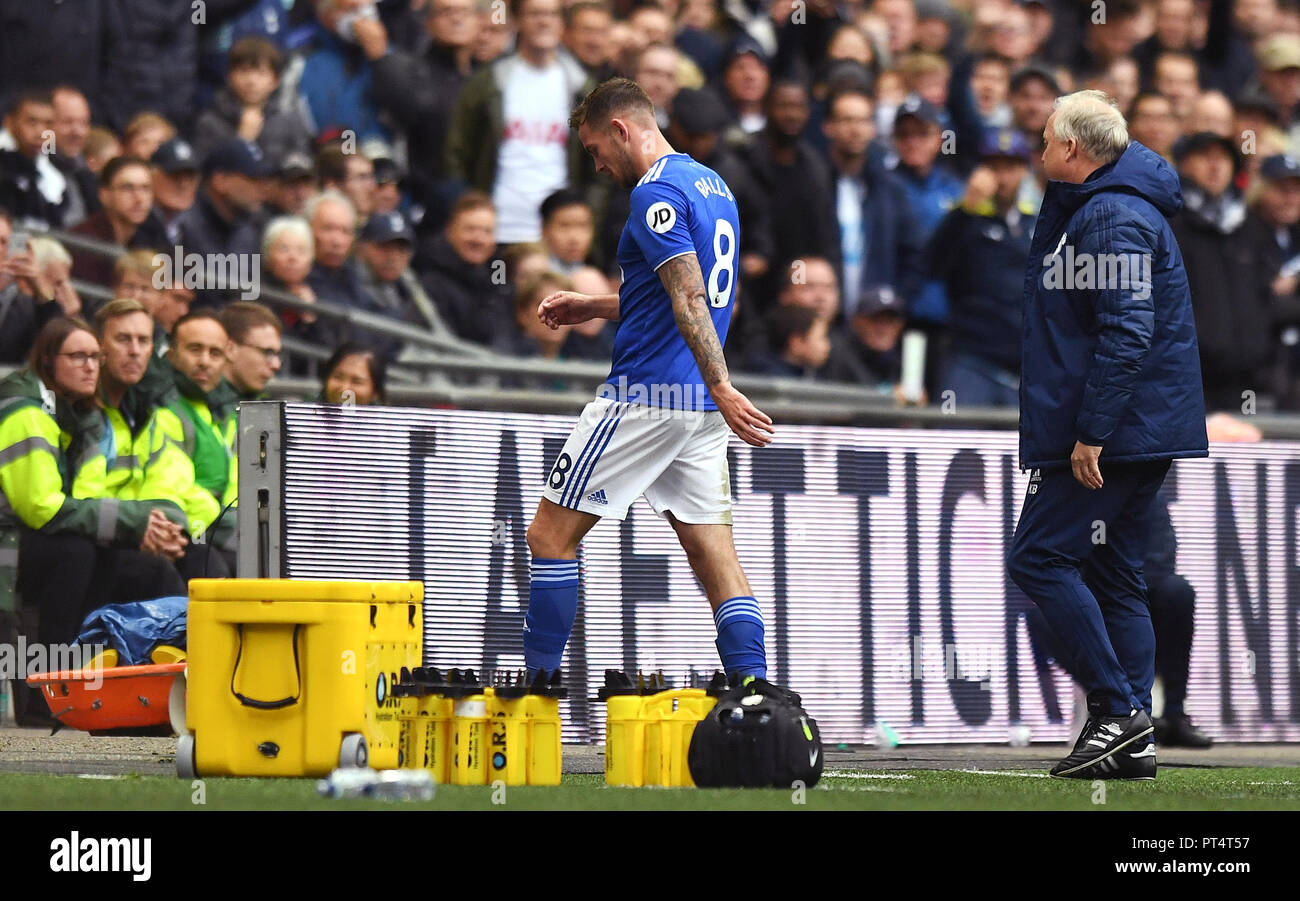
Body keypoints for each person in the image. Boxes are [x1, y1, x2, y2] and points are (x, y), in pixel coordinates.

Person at [522, 78, 773, 684]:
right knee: (713, 551)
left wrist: (720, 382)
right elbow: (685, 295)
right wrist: (596, 304)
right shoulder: (714, 186)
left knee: (549, 535)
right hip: (697, 411)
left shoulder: (652, 194)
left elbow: (688, 294)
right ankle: (755, 690)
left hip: (647, 395)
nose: (598, 164)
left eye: (594, 149)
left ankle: (536, 692)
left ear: (620, 129)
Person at [1006, 91, 1208, 781]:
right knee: (1117, 577)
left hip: (1114, 431)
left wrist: (1091, 431)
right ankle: (1135, 736)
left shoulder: (1110, 213)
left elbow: (1127, 332)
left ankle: (1120, 711)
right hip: (1138, 426)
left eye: (1043, 140)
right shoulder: (1112, 206)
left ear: (1070, 148)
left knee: (1037, 558)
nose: (1037, 153)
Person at [0, 318, 187, 652]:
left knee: (145, 565)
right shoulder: (25, 413)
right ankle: (55, 680)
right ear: (47, 362)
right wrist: (133, 523)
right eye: (77, 357)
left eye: (95, 358)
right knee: (78, 553)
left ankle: (159, 672)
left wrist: (151, 527)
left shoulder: (84, 418)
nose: (90, 368)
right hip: (10, 542)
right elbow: (41, 508)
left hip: (46, 539)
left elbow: (88, 497)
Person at [445, 0, 596, 245]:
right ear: (517, 21)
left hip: (556, 238)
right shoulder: (488, 83)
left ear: (561, 23)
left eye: (551, 14)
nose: (543, 21)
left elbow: (596, 170)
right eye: (535, 13)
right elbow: (456, 154)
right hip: (495, 230)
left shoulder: (582, 88)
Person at [927, 128, 1036, 408]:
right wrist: (966, 208)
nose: (1002, 176)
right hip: (971, 359)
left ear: (1023, 171)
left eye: (1010, 167)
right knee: (954, 439)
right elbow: (932, 264)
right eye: (993, 167)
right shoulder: (964, 219)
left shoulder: (1035, 223)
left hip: (1025, 364)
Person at [146, 312, 240, 576]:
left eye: (215, 353)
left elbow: (239, 487)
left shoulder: (229, 412)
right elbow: (171, 485)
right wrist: (231, 528)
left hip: (217, 530)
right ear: (172, 353)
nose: (204, 362)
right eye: (195, 350)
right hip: (180, 528)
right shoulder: (162, 405)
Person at [192, 36, 313, 165]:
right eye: (244, 71)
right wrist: (241, 142)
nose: (251, 81)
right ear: (229, 77)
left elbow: (303, 163)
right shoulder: (210, 123)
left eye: (261, 73)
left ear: (275, 80)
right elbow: (204, 170)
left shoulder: (289, 121)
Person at [416, 191, 513, 346]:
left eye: (487, 231)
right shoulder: (431, 277)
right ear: (450, 231)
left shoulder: (498, 269)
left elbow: (505, 322)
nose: (479, 239)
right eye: (470, 229)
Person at [69, 155, 166, 292]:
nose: (139, 198)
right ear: (105, 195)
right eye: (128, 188)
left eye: (145, 188)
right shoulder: (83, 243)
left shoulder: (151, 236)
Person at [0, 91, 68, 229]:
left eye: (48, 124)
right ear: (10, 123)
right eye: (32, 122)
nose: (40, 132)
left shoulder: (57, 177)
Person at [221, 301, 284, 402]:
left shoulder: (262, 409)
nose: (276, 365)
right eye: (267, 352)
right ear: (230, 349)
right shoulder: (193, 403)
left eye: (277, 355)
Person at [320, 342, 387, 405]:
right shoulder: (311, 411)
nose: (344, 389)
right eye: (338, 377)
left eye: (356, 382)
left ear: (375, 392)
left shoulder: (388, 417)